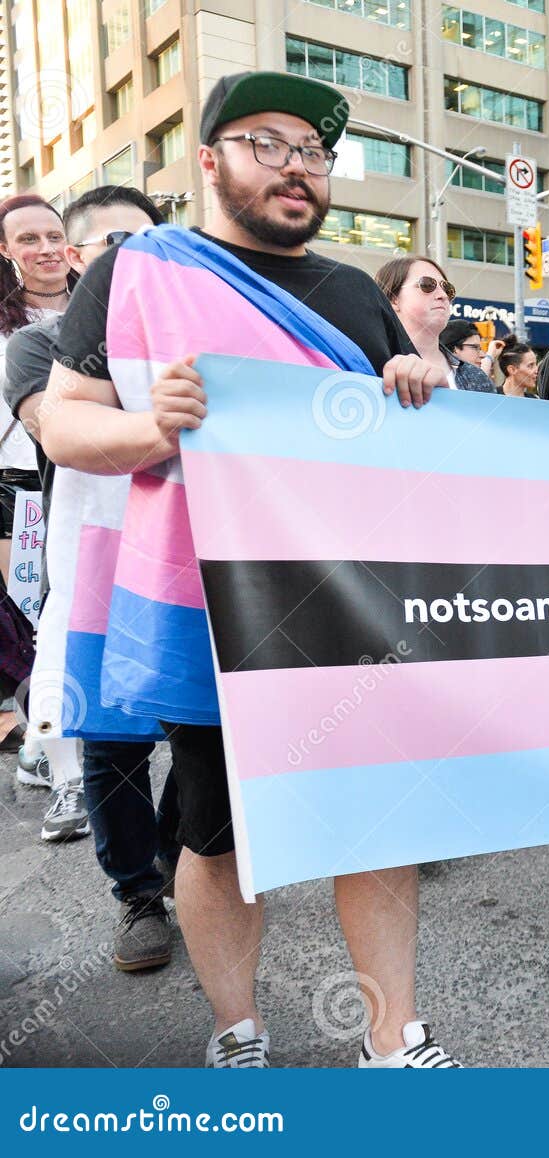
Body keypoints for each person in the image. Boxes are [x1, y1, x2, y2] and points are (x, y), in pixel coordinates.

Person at [40, 70, 459, 1068]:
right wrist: (151, 426)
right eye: (267, 143)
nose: (296, 167)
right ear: (211, 157)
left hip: (350, 603)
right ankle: (239, 1032)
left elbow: (426, 447)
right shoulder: (137, 271)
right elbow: (62, 419)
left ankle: (393, 1041)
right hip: (205, 600)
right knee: (217, 829)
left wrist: (415, 384)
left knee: (371, 820)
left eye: (313, 151)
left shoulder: (358, 293)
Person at [5, 185, 181, 967]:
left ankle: (184, 859)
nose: (130, 256)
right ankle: (138, 894)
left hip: (189, 558)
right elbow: (60, 428)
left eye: (144, 240)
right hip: (98, 565)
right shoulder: (39, 347)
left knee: (203, 729)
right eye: (112, 242)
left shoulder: (188, 337)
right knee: (114, 742)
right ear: (80, 257)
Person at [0, 193, 80, 833]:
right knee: (34, 626)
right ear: (7, 251)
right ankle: (57, 759)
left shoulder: (104, 303)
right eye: (28, 239)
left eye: (54, 234)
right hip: (17, 488)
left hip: (95, 475)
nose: (46, 249)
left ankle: (44, 744)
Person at [375, 261, 495, 394]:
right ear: (393, 299)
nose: (443, 295)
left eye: (447, 289)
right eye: (427, 285)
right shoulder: (369, 364)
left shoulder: (477, 377)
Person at [437, 318, 499, 393]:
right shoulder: (427, 377)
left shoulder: (476, 378)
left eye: (480, 348)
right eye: (475, 347)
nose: (483, 355)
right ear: (455, 348)